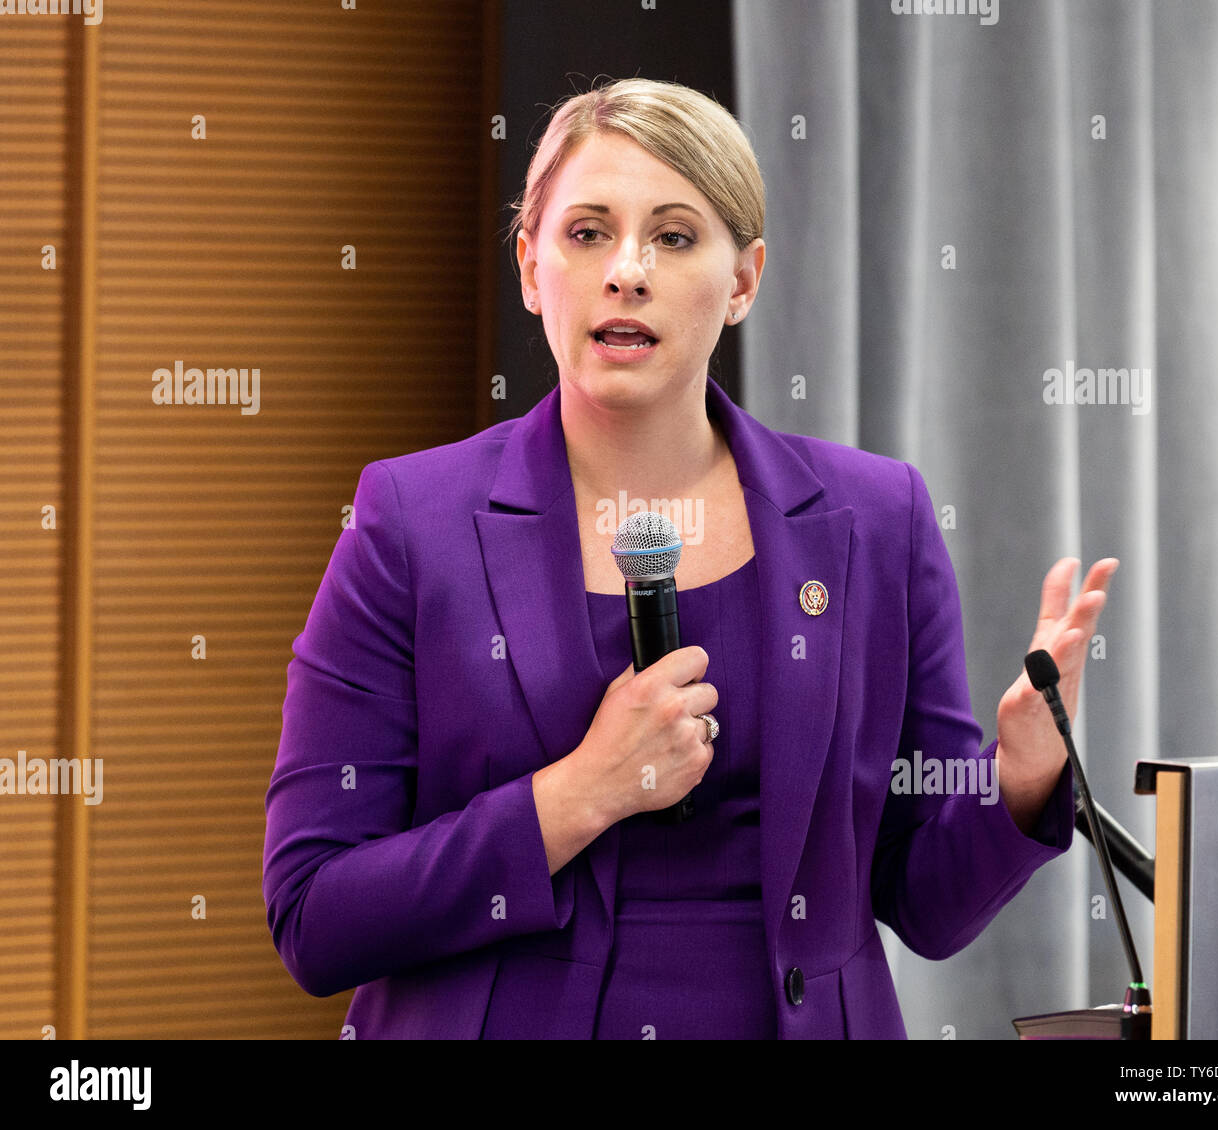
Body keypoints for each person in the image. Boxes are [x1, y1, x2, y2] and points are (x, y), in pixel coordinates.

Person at [262, 77, 1117, 1039]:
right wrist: (576, 795)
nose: (627, 271)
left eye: (673, 236)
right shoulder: (411, 522)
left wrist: (1021, 778)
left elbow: (928, 903)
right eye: (587, 233)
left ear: (745, 279)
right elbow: (315, 912)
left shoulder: (876, 518)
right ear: (531, 268)